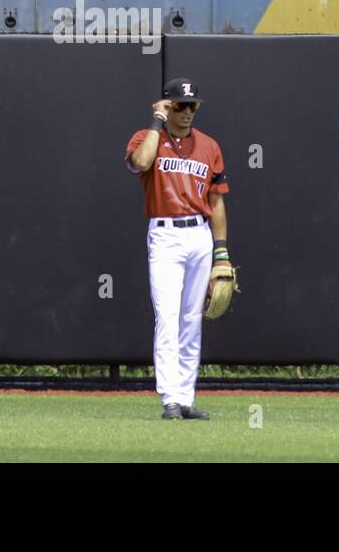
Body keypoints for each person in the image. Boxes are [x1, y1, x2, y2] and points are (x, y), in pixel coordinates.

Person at [125, 77, 233, 420]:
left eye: (192, 106)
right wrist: (156, 122)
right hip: (165, 235)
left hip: (199, 235)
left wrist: (221, 252)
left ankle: (185, 397)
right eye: (179, 105)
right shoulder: (147, 138)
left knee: (191, 319)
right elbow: (140, 163)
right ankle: (169, 398)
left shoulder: (209, 146)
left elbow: (216, 202)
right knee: (167, 317)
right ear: (167, 106)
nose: (186, 112)